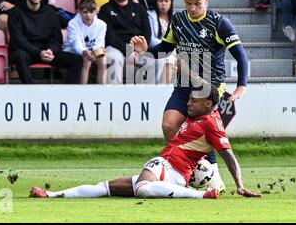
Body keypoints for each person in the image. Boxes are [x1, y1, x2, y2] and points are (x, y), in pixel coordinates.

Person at [29, 85, 262, 200]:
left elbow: (228, 154)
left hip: (169, 167)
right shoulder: (200, 118)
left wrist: (239, 185)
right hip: (171, 172)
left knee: (141, 189)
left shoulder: (211, 123)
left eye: (193, 100)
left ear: (209, 104)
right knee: (106, 188)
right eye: (188, 99)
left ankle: (202, 195)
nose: (188, 103)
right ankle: (52, 195)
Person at [130, 0, 249, 192]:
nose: (192, 8)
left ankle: (212, 175)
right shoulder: (178, 20)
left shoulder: (219, 23)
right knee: (169, 125)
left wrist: (242, 85)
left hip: (208, 87)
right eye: (188, 4)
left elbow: (241, 56)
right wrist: (146, 50)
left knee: (203, 132)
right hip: (184, 84)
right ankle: (186, 169)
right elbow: (165, 49)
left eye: (197, 4)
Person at [8, 0, 83, 84]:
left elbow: (56, 38)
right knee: (20, 56)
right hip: (26, 51)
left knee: (77, 59)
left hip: (47, 52)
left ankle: (69, 94)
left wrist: (51, 50)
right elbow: (18, 40)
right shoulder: (15, 12)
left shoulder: (51, 12)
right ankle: (31, 93)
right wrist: (39, 52)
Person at [98, 0, 151, 84]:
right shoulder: (105, 9)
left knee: (158, 59)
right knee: (114, 58)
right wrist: (128, 51)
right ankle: (114, 96)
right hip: (115, 47)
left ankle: (154, 98)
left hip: (138, 48)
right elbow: (110, 36)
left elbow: (146, 32)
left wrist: (139, 50)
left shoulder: (139, 8)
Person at [63, 0, 107, 84]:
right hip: (73, 51)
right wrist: (84, 52)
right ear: (79, 11)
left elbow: (99, 42)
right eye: (85, 12)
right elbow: (76, 44)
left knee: (103, 59)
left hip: (92, 51)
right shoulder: (73, 23)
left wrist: (99, 50)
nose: (88, 15)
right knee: (87, 60)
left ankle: (103, 90)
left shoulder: (102, 24)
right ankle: (83, 91)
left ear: (95, 11)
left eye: (91, 12)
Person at [147, 0, 176, 83]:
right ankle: (164, 92)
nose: (163, 3)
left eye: (166, 1)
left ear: (171, 2)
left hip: (173, 52)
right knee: (167, 59)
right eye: (160, 1)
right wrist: (166, 46)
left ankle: (165, 92)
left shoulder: (176, 18)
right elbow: (150, 38)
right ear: (156, 2)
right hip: (155, 50)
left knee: (169, 58)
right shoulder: (150, 16)